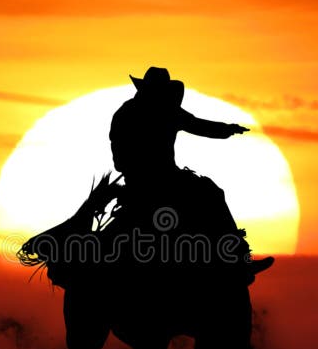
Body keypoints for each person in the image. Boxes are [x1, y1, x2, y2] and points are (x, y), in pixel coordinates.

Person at [109, 66, 274, 280]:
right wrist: (227, 129)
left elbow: (118, 155)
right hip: (165, 180)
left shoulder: (126, 113)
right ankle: (237, 258)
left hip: (138, 182)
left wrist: (226, 129)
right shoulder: (166, 110)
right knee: (213, 194)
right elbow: (199, 125)